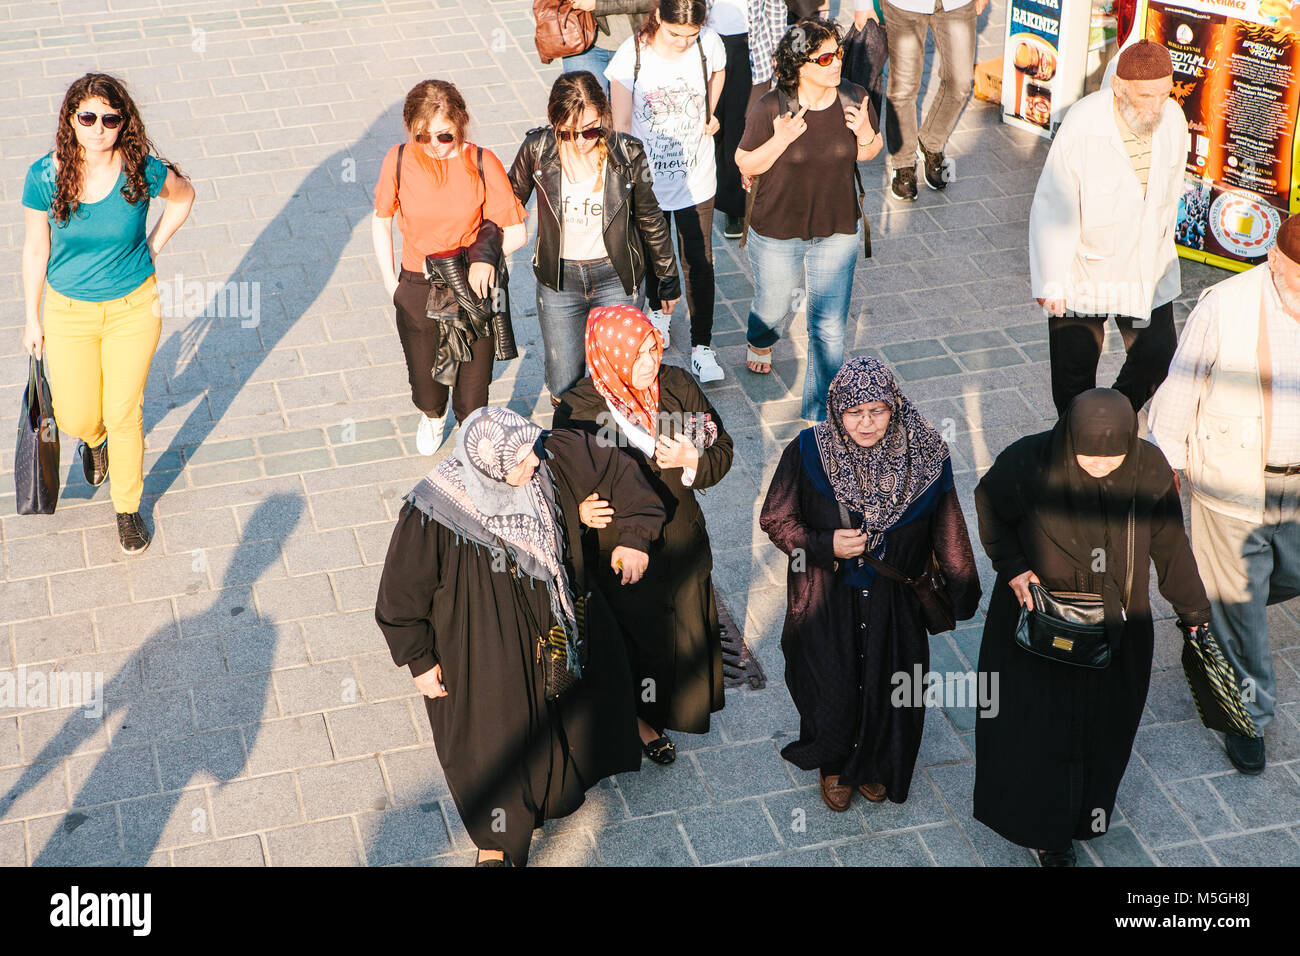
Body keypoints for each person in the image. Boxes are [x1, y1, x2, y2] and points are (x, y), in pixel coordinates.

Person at [374, 405, 667, 866]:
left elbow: (613, 464)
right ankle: (498, 840)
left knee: (590, 691)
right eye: (521, 459)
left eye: (532, 449)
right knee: (493, 740)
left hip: (559, 623)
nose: (535, 461)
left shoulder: (544, 458)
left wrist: (632, 533)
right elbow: (399, 595)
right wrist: (419, 661)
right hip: (484, 650)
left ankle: (596, 757)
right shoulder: (433, 512)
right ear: (488, 466)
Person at [973, 389, 1212, 865]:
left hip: (1116, 627)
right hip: (1042, 623)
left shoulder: (1148, 470)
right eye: (1087, 455)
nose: (1099, 466)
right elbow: (990, 507)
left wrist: (1194, 614)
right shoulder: (1028, 462)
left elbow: (1169, 544)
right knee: (1039, 732)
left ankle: (1085, 815)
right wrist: (1014, 565)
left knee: (1105, 728)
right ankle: (1048, 834)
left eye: (1112, 457)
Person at [760, 357, 981, 812]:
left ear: (894, 408)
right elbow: (777, 520)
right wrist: (824, 545)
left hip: (894, 600)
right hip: (826, 596)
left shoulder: (927, 458)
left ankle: (877, 762)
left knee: (892, 682)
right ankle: (835, 763)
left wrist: (961, 591)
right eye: (854, 412)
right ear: (837, 410)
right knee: (831, 681)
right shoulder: (806, 452)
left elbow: (949, 529)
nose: (866, 423)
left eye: (877, 411)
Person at [1146, 216, 1300, 775]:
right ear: (1276, 263)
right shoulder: (1225, 306)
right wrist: (1165, 465)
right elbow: (1182, 382)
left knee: (1256, 590)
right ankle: (1247, 716)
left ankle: (1212, 618)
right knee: (1243, 609)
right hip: (1233, 479)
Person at [20, 73, 195, 555]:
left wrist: (153, 247)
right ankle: (92, 442)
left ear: (123, 123)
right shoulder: (44, 175)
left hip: (133, 308)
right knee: (77, 414)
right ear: (71, 119)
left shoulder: (140, 169)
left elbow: (184, 198)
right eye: (88, 117)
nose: (99, 128)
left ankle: (127, 506)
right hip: (67, 311)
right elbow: (36, 249)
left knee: (124, 411)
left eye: (110, 119)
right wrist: (31, 318)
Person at [554, 305, 732, 761]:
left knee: (681, 631)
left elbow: (721, 450)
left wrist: (692, 462)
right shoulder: (581, 410)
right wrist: (578, 512)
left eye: (653, 347)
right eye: (637, 356)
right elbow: (558, 479)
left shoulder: (677, 386)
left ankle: (667, 708)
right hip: (621, 550)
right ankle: (637, 719)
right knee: (632, 636)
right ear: (610, 357)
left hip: (680, 538)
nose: (651, 362)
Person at [1029, 40, 1188, 418]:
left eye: (1164, 94)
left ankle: (1108, 421)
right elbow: (1054, 202)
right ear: (1119, 86)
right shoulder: (1083, 123)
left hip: (1146, 262)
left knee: (1158, 354)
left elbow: (1171, 188)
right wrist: (1051, 281)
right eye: (1146, 95)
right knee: (1073, 376)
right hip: (1086, 264)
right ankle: (1076, 440)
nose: (1156, 106)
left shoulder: (1173, 120)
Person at [736, 17, 882, 421]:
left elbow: (868, 153)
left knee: (829, 326)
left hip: (837, 227)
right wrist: (781, 139)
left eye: (838, 53)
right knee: (773, 304)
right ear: (799, 66)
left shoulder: (853, 96)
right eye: (825, 58)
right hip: (779, 228)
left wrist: (867, 131)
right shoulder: (771, 107)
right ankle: (761, 339)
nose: (836, 63)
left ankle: (822, 416)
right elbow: (744, 162)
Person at [371, 80, 527, 456]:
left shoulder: (481, 161)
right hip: (418, 287)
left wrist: (484, 259)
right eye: (423, 137)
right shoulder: (399, 159)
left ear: (461, 123)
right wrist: (392, 283)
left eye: (445, 137)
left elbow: (518, 231)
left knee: (473, 398)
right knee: (426, 389)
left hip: (471, 290)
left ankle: (470, 451)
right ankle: (434, 416)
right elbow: (381, 219)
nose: (434, 147)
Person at [507, 71, 681, 400]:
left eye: (591, 130)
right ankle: (571, 443)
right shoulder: (537, 149)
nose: (582, 142)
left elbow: (649, 216)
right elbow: (507, 202)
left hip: (615, 275)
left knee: (620, 372)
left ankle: (616, 444)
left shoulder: (628, 153)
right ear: (553, 121)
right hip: (559, 280)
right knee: (563, 383)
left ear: (604, 116)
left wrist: (668, 277)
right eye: (568, 133)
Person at [607, 0, 728, 383]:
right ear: (658, 16)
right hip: (650, 181)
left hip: (697, 176)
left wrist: (712, 111)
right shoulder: (632, 56)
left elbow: (719, 72)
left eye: (691, 35)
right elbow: (622, 127)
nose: (684, 42)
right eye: (677, 34)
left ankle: (702, 346)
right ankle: (660, 315)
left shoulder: (709, 43)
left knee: (699, 258)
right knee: (656, 256)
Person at [880, 0, 986, 201]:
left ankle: (930, 142)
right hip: (904, 6)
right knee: (903, 87)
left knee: (961, 82)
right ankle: (903, 163)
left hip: (957, 4)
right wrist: (863, 5)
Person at [707, 0, 752, 239]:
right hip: (702, 37)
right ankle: (714, 191)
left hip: (748, 41)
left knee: (738, 123)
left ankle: (735, 204)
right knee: (710, 121)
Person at [562, 0, 657, 94]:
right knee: (586, 104)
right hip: (582, 40)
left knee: (639, 105)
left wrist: (598, 4)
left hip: (636, 45)